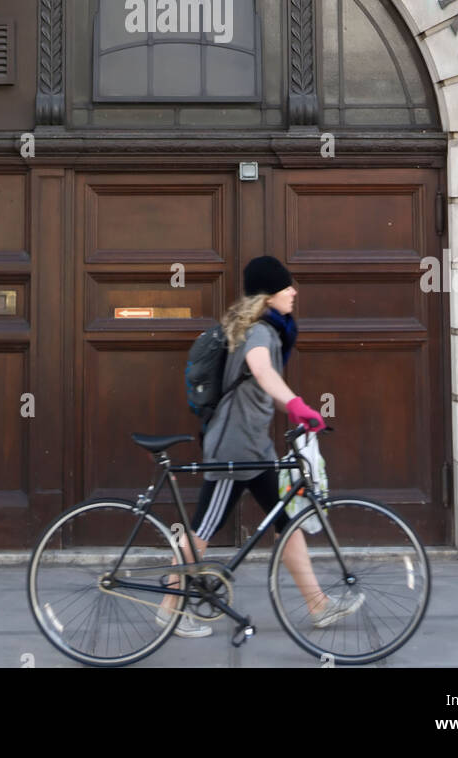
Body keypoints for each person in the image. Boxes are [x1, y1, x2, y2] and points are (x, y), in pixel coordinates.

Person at [158, 255, 366, 637]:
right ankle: (170, 608)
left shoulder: (263, 329)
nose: (294, 292)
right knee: (205, 527)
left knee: (285, 522)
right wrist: (298, 406)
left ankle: (317, 604)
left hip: (254, 449)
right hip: (235, 451)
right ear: (269, 295)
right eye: (287, 286)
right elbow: (262, 370)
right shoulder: (259, 333)